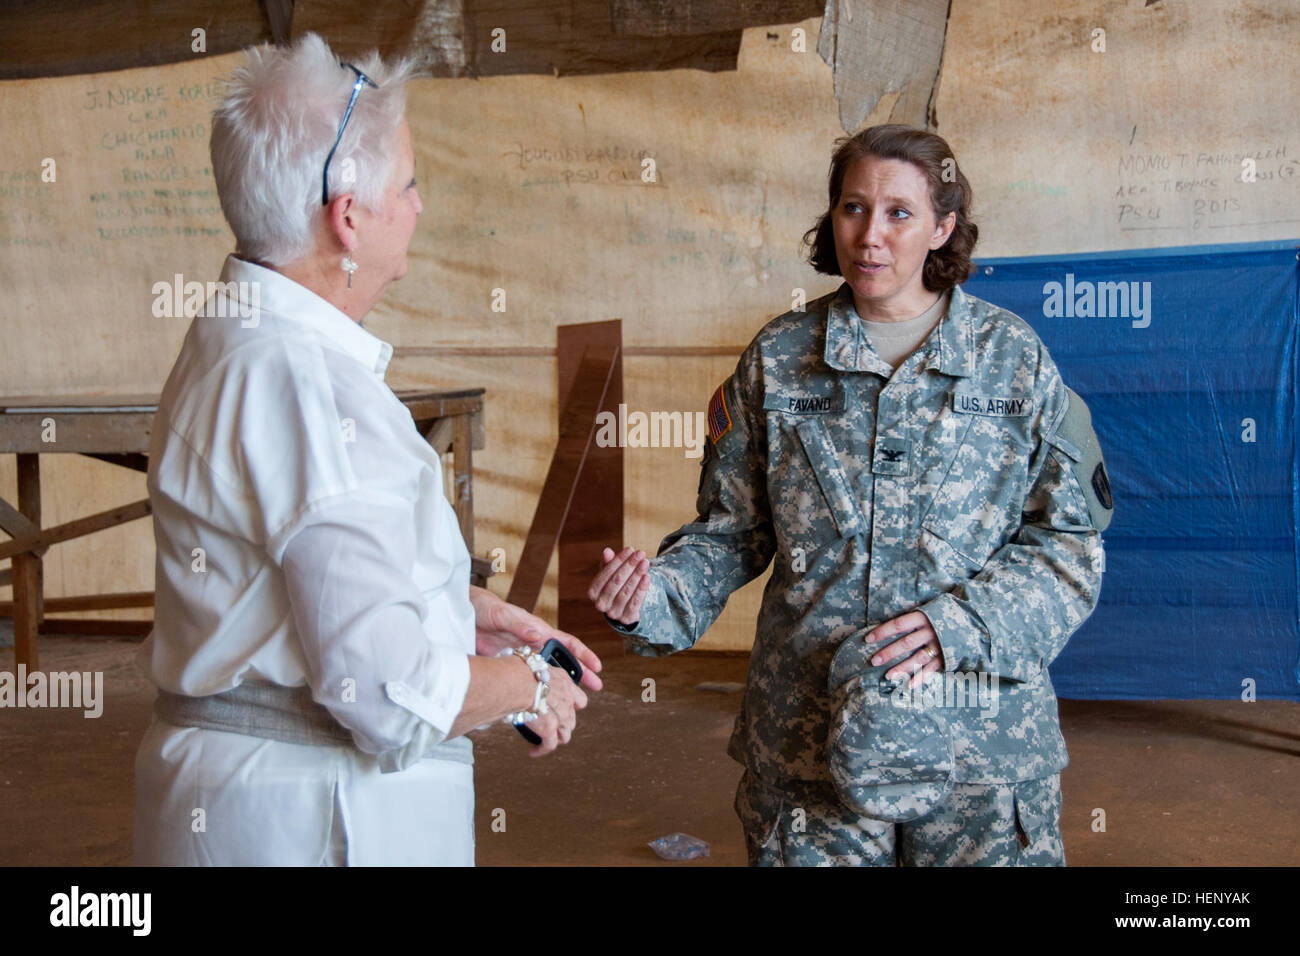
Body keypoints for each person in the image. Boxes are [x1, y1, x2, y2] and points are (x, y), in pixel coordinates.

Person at [134, 33, 601, 867]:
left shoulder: (234, 337)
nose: (419, 206)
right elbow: (388, 693)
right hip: (314, 820)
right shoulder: (309, 386)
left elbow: (285, 570)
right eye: (408, 185)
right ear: (348, 217)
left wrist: (449, 606)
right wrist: (531, 683)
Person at [590, 124, 1113, 866]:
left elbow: (1068, 547)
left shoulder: (1013, 360)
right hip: (810, 743)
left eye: (899, 213)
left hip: (979, 748)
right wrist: (655, 596)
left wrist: (958, 627)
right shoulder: (780, 359)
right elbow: (731, 532)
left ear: (943, 227)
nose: (870, 236)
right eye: (853, 208)